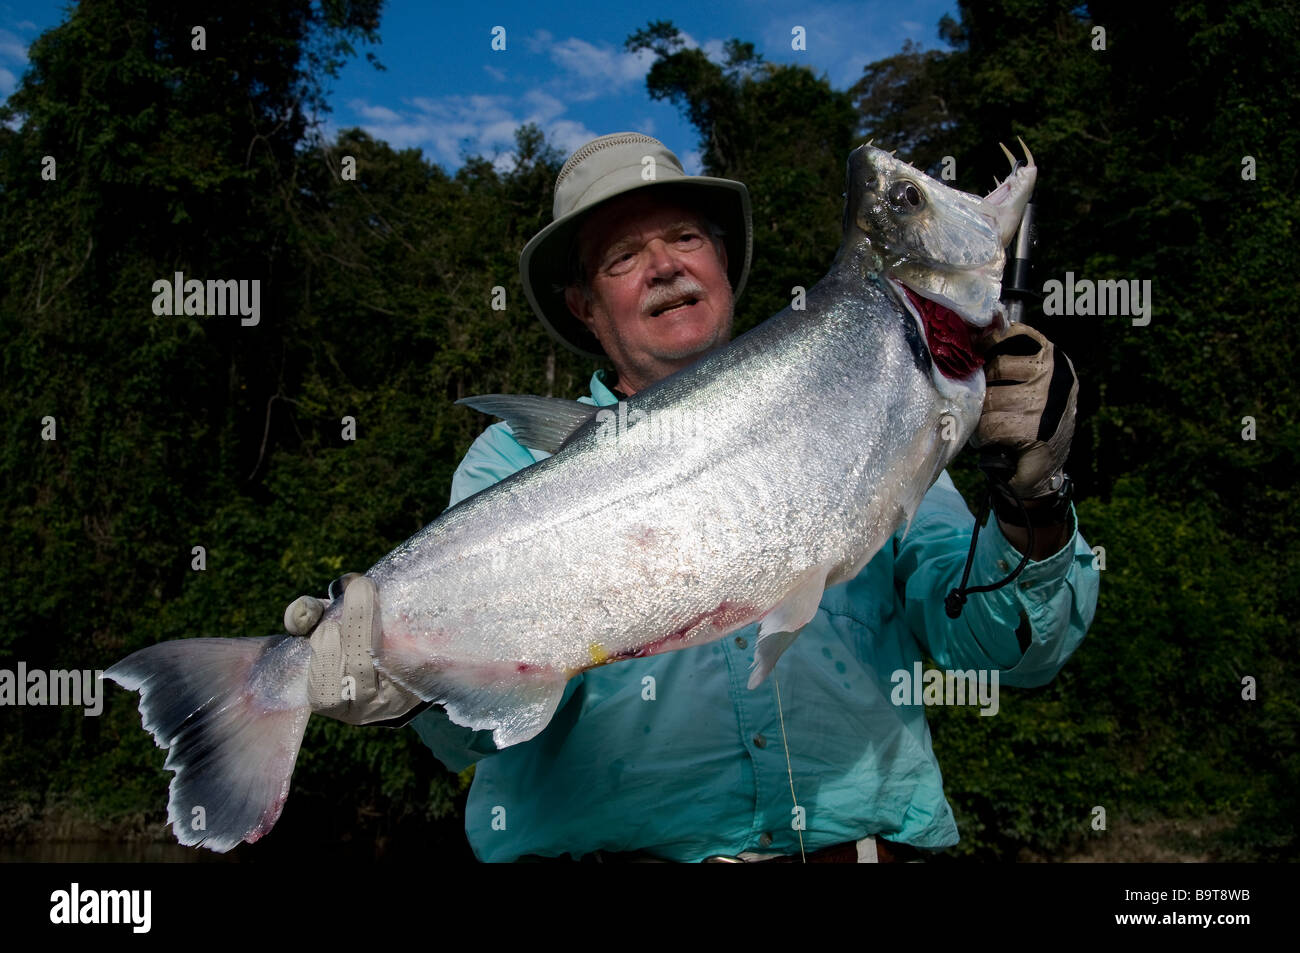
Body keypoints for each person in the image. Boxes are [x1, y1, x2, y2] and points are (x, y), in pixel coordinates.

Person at [283, 132, 1099, 863]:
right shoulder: (508, 463)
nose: (665, 265)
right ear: (585, 307)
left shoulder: (872, 413)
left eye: (683, 237)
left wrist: (1035, 496)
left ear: (721, 262)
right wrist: (398, 693)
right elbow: (469, 736)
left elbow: (1009, 652)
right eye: (621, 257)